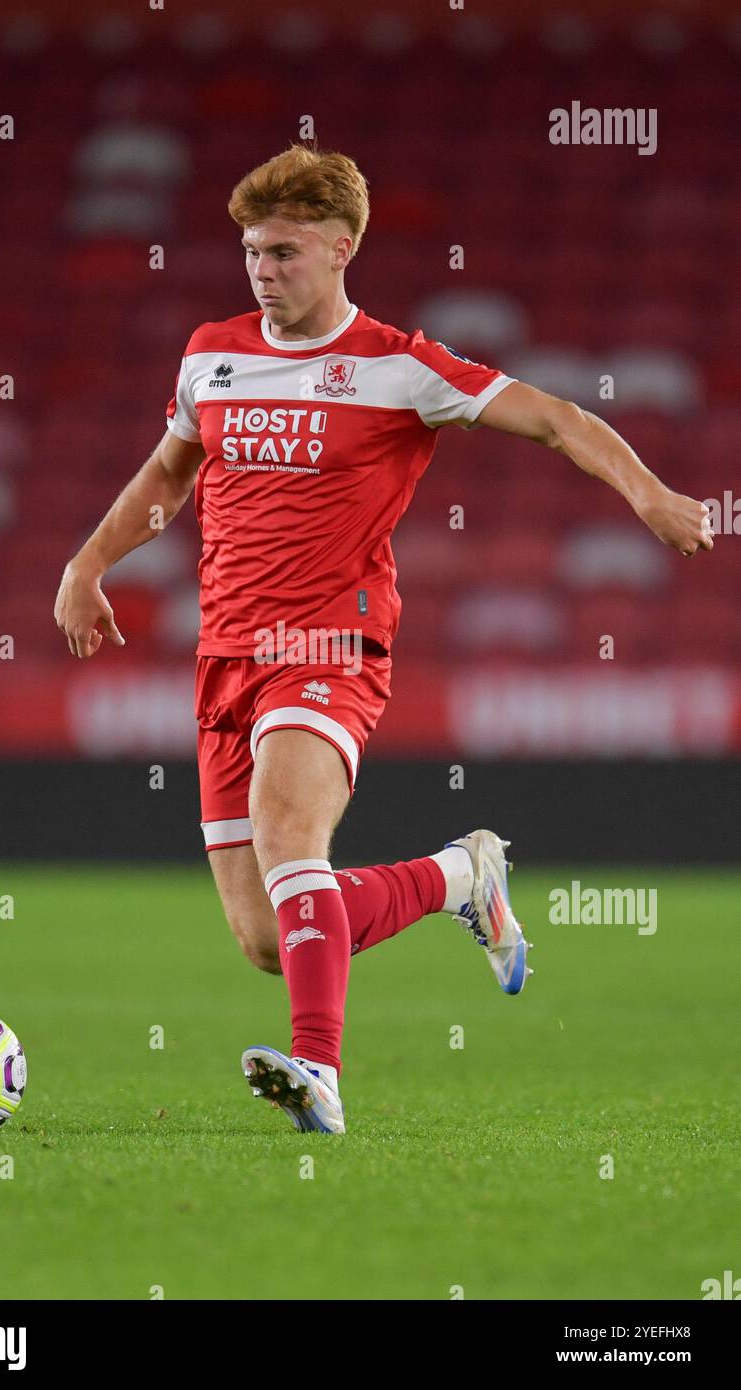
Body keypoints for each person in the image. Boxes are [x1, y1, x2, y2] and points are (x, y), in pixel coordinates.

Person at [54, 144, 713, 1135]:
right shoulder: (209, 352)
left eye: (281, 252)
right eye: (249, 253)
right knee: (268, 936)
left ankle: (318, 1072)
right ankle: (461, 876)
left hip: (329, 646)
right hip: (224, 657)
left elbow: (556, 419)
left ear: (339, 246)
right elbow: (165, 474)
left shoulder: (399, 368)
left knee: (289, 837)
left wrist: (649, 491)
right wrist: (85, 563)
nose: (262, 271)